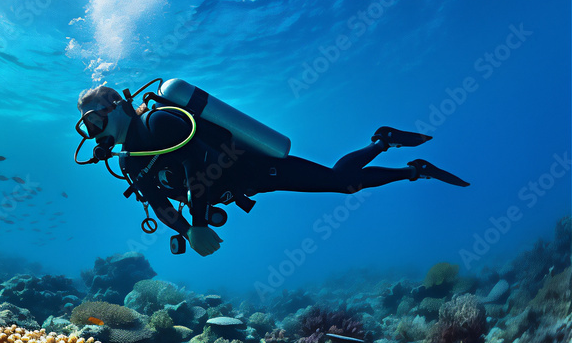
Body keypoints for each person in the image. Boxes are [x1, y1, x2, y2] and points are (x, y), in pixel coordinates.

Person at [75, 83, 469, 257]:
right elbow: (159, 203)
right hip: (245, 186)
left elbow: (199, 167)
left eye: (93, 120)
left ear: (113, 103)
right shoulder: (129, 162)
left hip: (256, 168)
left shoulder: (159, 123)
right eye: (87, 128)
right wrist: (186, 232)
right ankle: (407, 162)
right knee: (342, 183)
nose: (93, 133)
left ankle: (386, 144)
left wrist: (196, 224)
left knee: (342, 183)